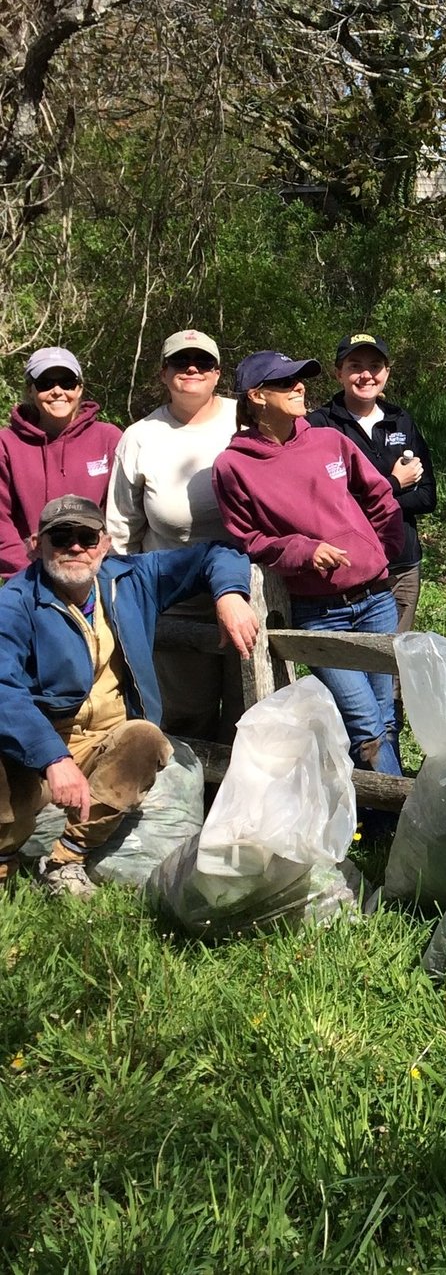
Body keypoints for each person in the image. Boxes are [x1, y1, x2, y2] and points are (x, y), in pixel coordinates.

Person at [0, 494, 257, 897]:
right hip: (41, 743)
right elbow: (3, 688)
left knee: (145, 737)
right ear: (36, 546)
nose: (74, 547)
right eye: (60, 537)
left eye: (86, 537)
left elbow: (218, 552)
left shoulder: (130, 579)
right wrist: (52, 758)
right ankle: (5, 862)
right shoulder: (15, 603)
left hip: (107, 741)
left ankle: (67, 859)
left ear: (104, 544)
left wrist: (229, 594)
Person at [211, 351, 406, 777]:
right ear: (257, 396)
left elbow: (379, 494)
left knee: (386, 717)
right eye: (286, 382)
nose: (299, 386)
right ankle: (401, 814)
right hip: (320, 615)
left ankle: (375, 810)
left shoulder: (329, 441)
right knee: (365, 724)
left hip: (376, 599)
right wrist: (303, 550)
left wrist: (381, 551)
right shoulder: (233, 466)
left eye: (300, 379)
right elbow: (249, 540)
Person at [106, 329, 241, 740]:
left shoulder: (247, 419)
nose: (192, 369)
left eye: (203, 362)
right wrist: (126, 604)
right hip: (174, 603)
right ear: (164, 373)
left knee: (251, 719)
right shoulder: (140, 437)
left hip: (248, 597)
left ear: (218, 373)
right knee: (185, 721)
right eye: (181, 362)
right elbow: (121, 529)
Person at [309, 332, 435, 644]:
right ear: (338, 373)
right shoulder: (319, 426)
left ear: (387, 373)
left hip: (402, 566)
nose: (366, 375)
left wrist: (364, 499)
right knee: (351, 662)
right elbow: (326, 505)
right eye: (355, 366)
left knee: (394, 659)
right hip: (348, 570)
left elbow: (427, 497)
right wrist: (395, 483)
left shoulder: (400, 420)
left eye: (375, 366)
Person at [0, 346, 122, 580]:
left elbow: (123, 516)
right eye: (45, 383)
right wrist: (28, 575)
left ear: (80, 388)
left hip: (96, 575)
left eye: (67, 382)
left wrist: (103, 569)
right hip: (30, 578)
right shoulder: (6, 443)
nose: (57, 391)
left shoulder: (109, 438)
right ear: (30, 389)